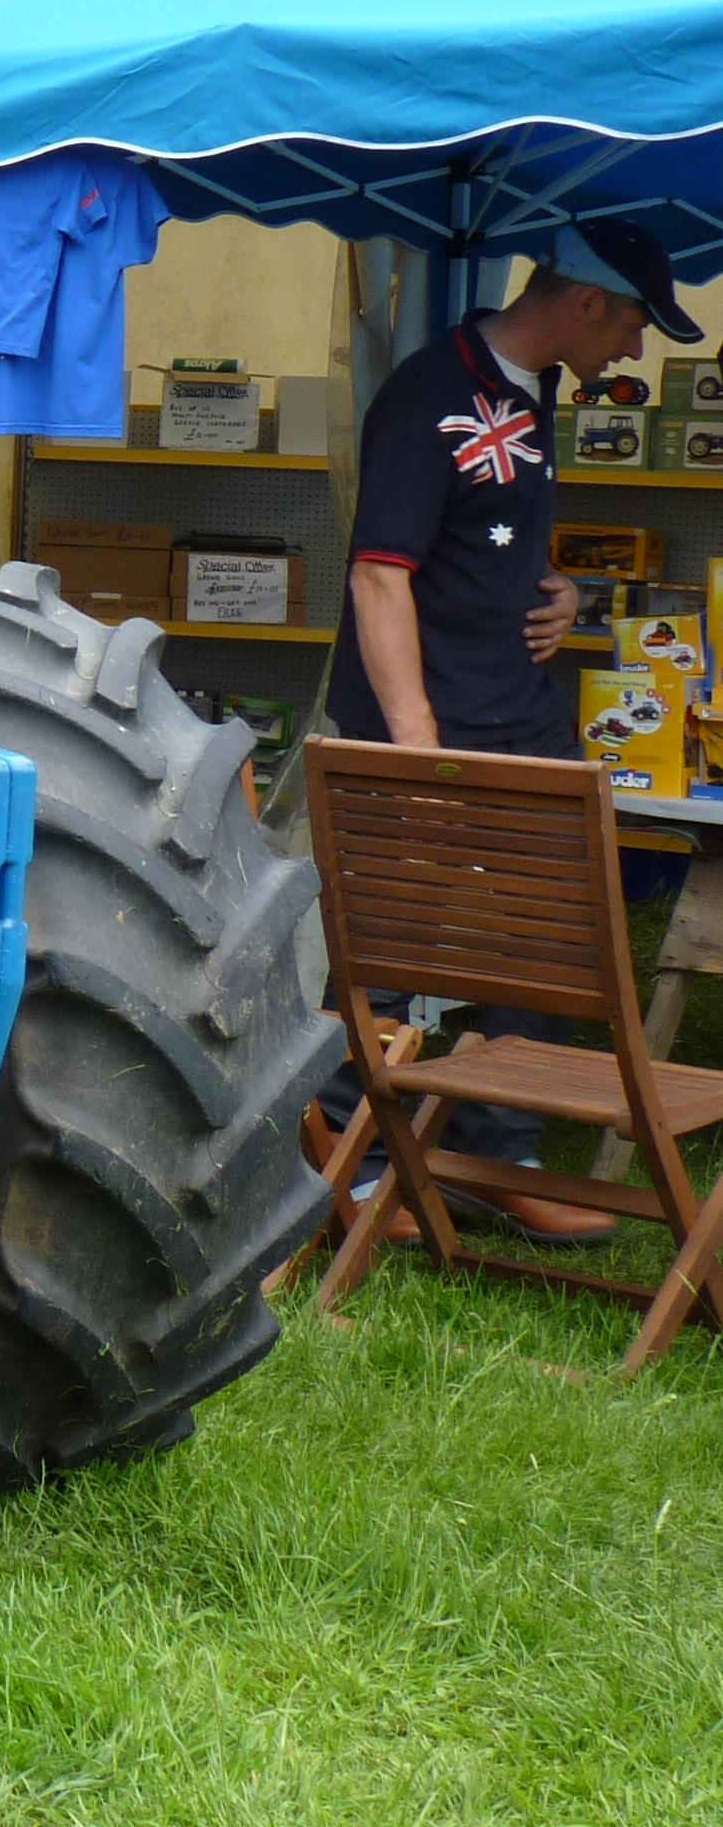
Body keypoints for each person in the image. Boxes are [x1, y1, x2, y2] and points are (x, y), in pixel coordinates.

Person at [318, 216, 702, 1241]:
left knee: (537, 942)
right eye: (630, 326)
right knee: (394, 944)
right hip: (434, 726)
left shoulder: (531, 393)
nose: (632, 351)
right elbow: (376, 574)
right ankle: (345, 1162)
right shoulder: (428, 396)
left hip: (520, 716)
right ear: (583, 302)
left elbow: (482, 547)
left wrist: (562, 592)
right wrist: (413, 752)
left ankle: (496, 1157)